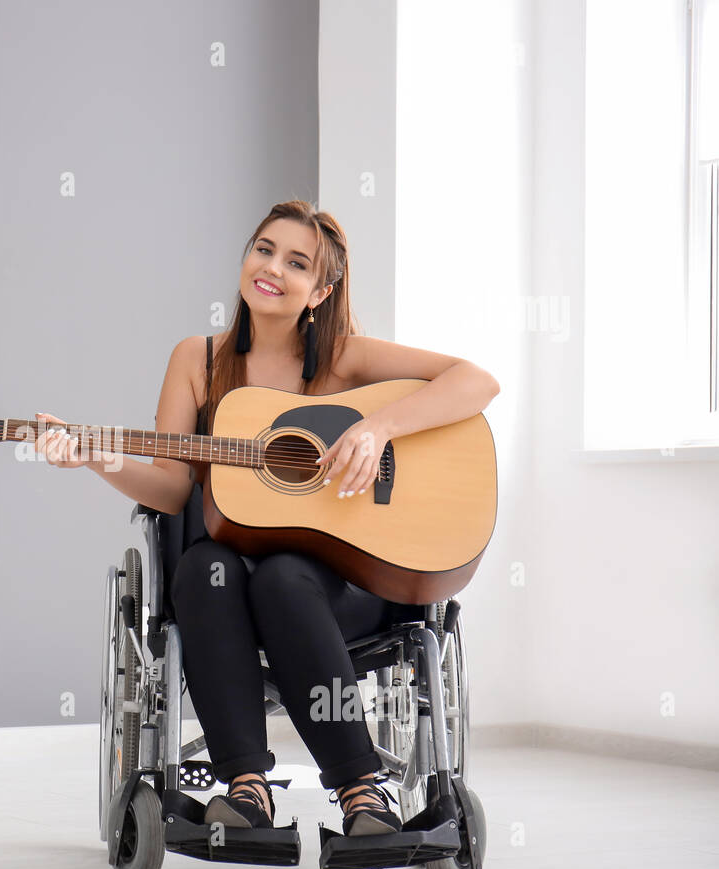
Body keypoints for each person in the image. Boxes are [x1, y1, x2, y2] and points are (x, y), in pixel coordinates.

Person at [35, 200, 500, 836]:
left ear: (322, 290)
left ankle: (362, 792)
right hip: (222, 593)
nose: (272, 268)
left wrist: (376, 428)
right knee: (204, 565)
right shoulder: (196, 360)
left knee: (283, 575)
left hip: (341, 591)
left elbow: (477, 382)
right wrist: (94, 458)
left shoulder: (344, 360)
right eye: (263, 249)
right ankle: (248, 788)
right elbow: (172, 491)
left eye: (297, 262)